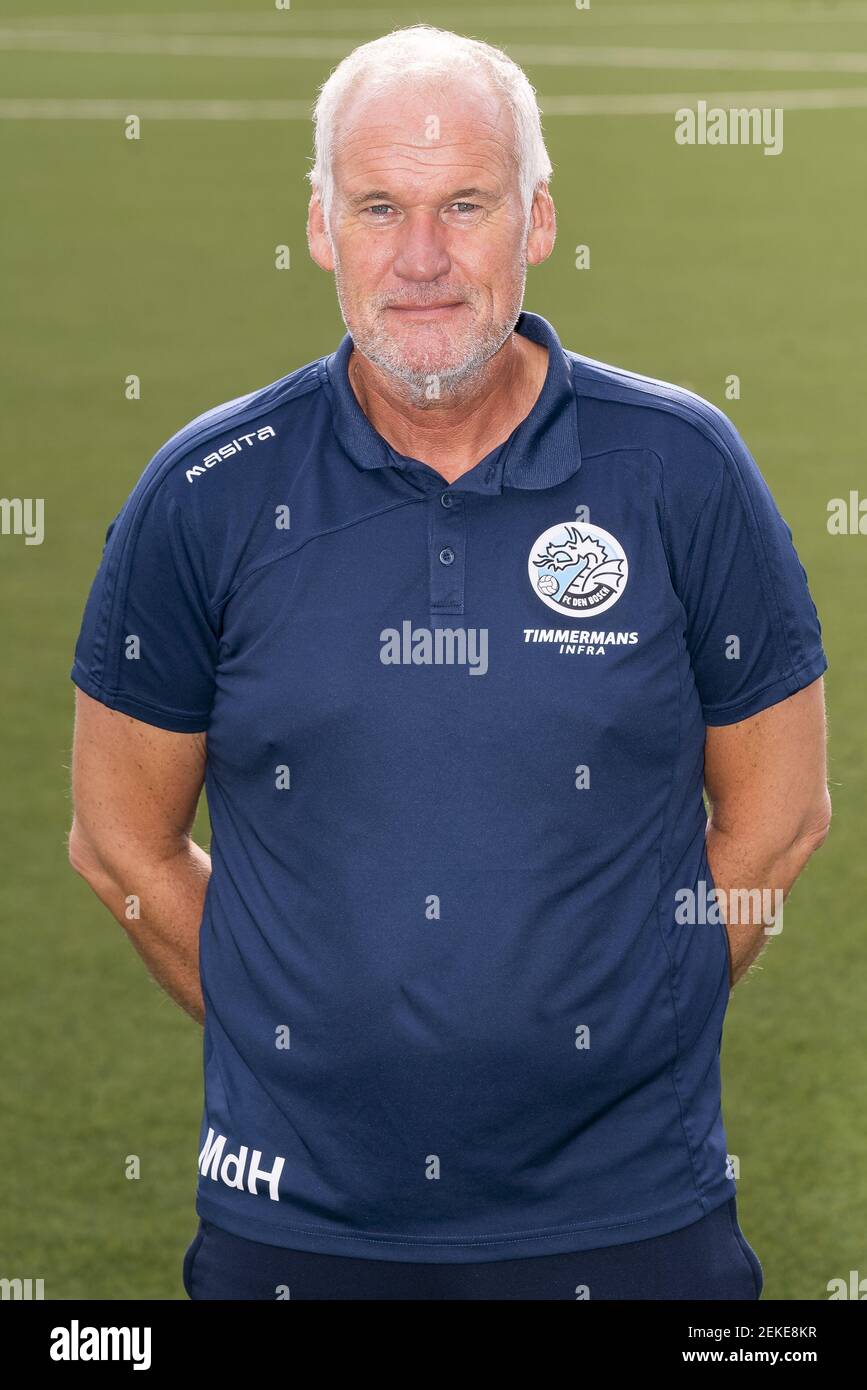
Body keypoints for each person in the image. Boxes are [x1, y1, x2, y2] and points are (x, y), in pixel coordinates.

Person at [68, 25, 830, 1300]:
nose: (420, 260)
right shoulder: (204, 493)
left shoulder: (682, 471)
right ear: (322, 225)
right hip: (299, 1220)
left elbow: (781, 819)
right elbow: (116, 841)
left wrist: (634, 1020)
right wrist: (300, 1044)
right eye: (380, 207)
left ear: (536, 220)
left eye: (464, 205)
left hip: (632, 1209)